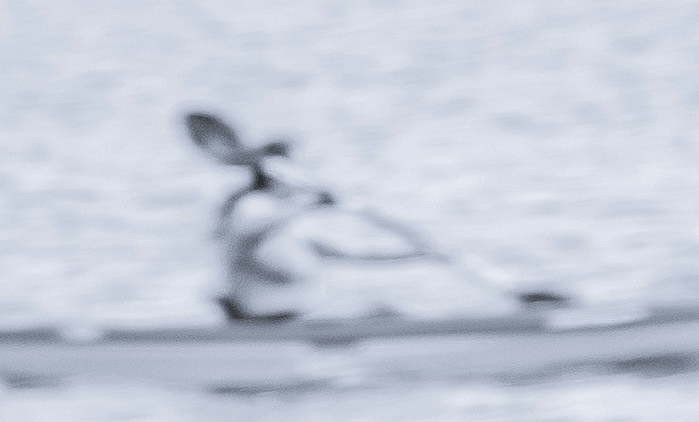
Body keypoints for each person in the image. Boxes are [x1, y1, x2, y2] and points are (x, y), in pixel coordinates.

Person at [181, 108, 530, 331]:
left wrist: (421, 255)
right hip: (257, 329)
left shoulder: (295, 238)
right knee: (382, 316)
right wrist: (308, 203)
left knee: (386, 312)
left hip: (289, 324)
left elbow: (359, 256)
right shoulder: (249, 209)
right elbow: (247, 231)